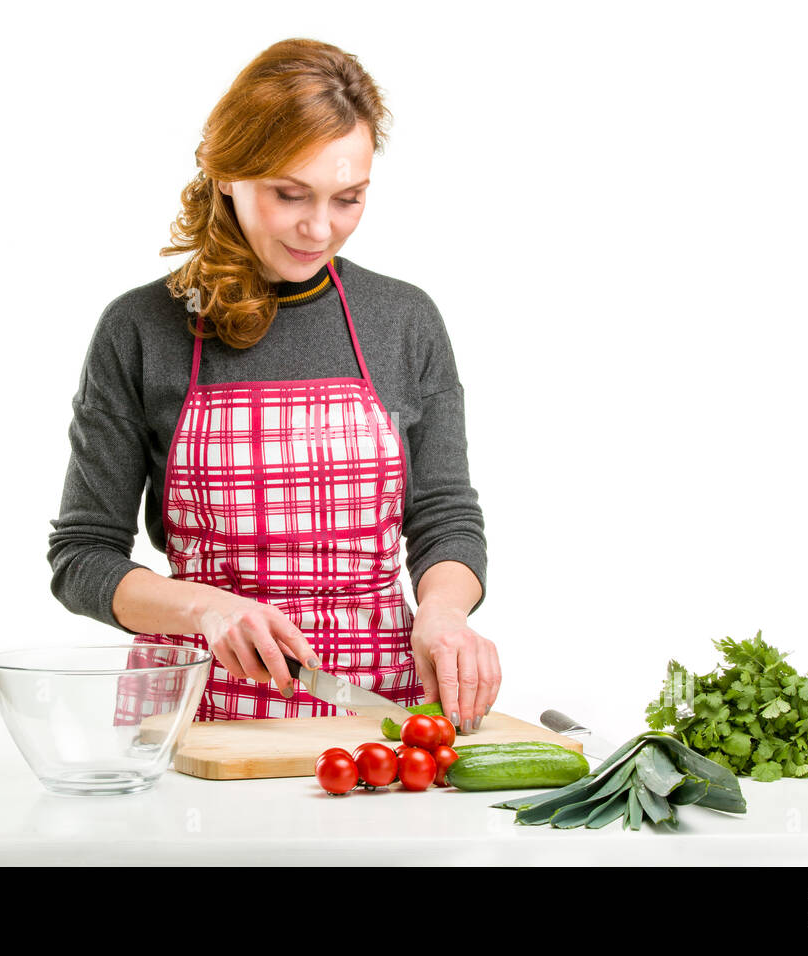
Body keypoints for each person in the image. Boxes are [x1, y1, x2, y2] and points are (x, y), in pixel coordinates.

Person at [47, 38, 497, 734]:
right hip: (197, 723)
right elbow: (83, 556)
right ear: (225, 172)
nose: (320, 228)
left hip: (378, 724)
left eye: (348, 199)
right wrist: (204, 608)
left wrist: (443, 614)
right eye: (291, 195)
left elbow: (444, 517)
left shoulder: (404, 320)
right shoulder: (140, 329)